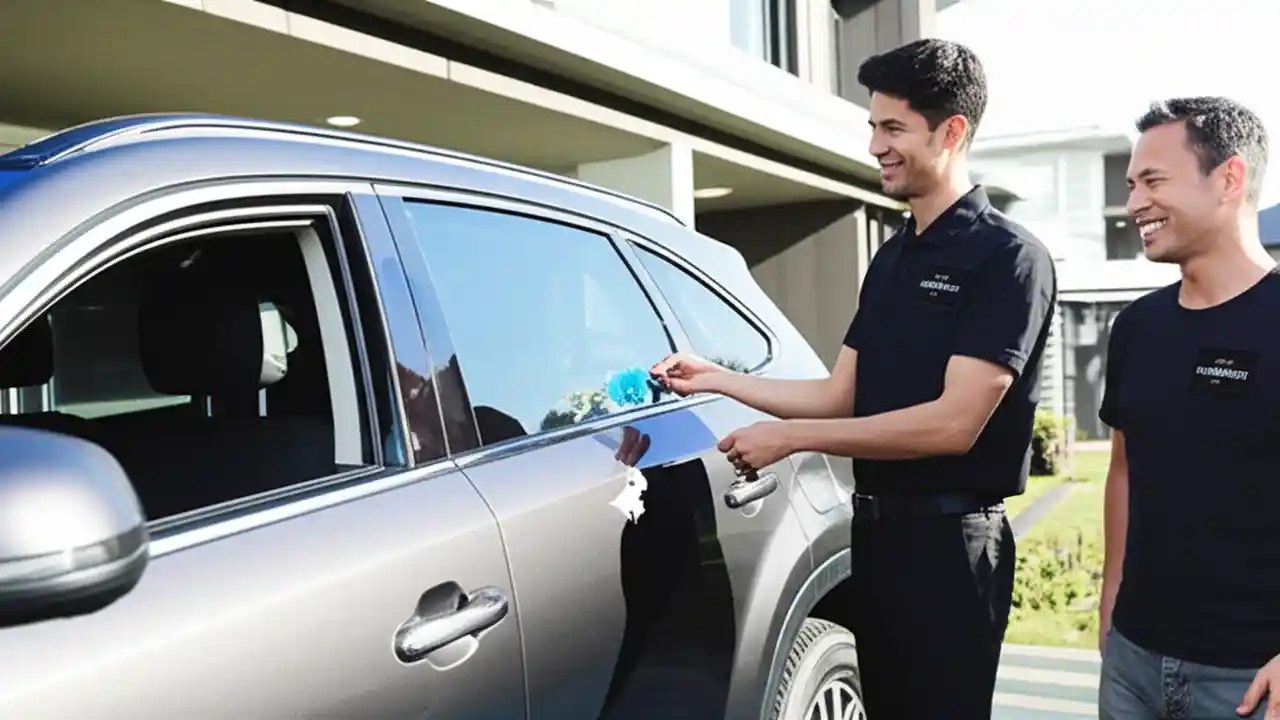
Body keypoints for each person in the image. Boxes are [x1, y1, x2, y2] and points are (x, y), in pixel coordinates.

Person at [650, 38, 1056, 718]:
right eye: (873, 126)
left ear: (951, 132)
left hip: (951, 551)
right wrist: (719, 378)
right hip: (875, 539)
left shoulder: (1009, 259)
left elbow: (953, 425)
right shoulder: (892, 259)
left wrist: (791, 439)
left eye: (893, 127)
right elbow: (840, 393)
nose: (875, 146)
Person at [1097, 96, 1279, 720]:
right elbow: (1124, 468)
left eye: (1153, 181)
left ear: (1229, 178)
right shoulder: (1136, 328)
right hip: (1132, 664)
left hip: (1250, 681)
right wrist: (1109, 606)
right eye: (1130, 184)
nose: (1134, 204)